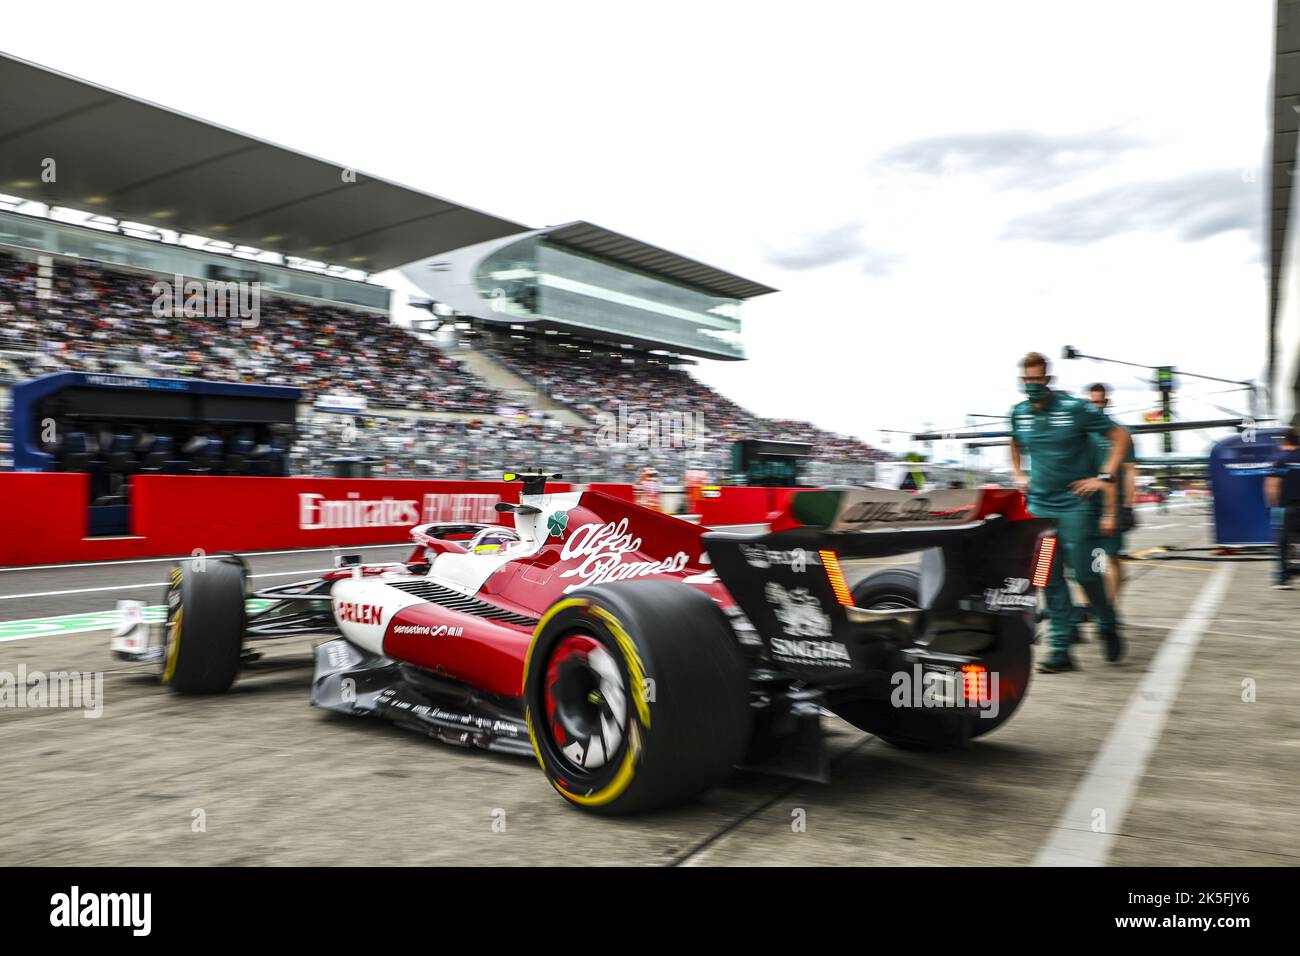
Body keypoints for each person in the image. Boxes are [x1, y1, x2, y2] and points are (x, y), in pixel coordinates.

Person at [1009, 352, 1132, 672]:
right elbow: (1014, 443)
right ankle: (1061, 648)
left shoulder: (1074, 409)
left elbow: (1120, 436)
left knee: (1086, 574)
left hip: (1076, 506)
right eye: (1027, 380)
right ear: (1021, 381)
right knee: (1048, 579)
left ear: (1048, 379)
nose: (1033, 385)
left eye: (1038, 379)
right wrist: (1019, 473)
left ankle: (1107, 624)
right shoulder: (1018, 413)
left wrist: (1102, 477)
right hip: (1040, 507)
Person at [1086, 383, 1136, 607]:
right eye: (1093, 402)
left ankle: (1111, 607)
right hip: (1087, 504)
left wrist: (1128, 506)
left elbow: (1131, 471)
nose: (1097, 405)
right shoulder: (1082, 434)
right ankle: (1089, 604)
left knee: (1112, 556)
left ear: (1106, 403)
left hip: (1113, 505)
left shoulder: (1120, 432)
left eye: (1100, 401)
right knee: (1086, 557)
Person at [1265, 428, 1300, 590]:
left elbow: (1272, 486)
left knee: (1284, 543)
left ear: (1285, 441)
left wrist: (1273, 506)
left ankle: (1283, 579)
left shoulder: (1281, 460)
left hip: (1288, 508)